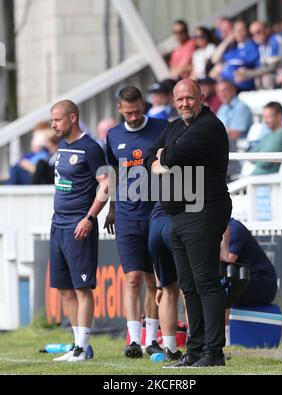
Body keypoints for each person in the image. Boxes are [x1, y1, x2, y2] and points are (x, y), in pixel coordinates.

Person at [144, 79, 232, 367]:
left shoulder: (208, 126)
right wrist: (159, 160)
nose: (185, 104)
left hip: (204, 210)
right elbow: (149, 158)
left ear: (202, 97)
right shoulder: (173, 127)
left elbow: (172, 155)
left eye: (190, 99)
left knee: (206, 283)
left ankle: (213, 352)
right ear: (173, 100)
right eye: (179, 99)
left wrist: (163, 159)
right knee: (189, 286)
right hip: (179, 214)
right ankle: (195, 351)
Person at [105, 87, 168, 358]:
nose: (133, 116)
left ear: (144, 104)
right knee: (132, 278)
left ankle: (152, 339)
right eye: (128, 112)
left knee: (153, 279)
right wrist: (111, 207)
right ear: (119, 109)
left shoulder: (162, 127)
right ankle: (133, 339)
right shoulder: (113, 135)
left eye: (137, 110)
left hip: (155, 212)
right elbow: (113, 172)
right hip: (127, 216)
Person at [49, 100, 109, 362]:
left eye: (57, 120)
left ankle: (82, 348)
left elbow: (107, 184)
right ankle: (78, 346)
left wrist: (90, 217)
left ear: (73, 118)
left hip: (78, 224)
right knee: (63, 288)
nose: (53, 125)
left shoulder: (91, 148)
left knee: (82, 288)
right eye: (52, 121)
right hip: (57, 224)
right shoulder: (62, 145)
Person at [221, 218, 278, 346]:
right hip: (247, 280)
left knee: (222, 287)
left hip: (263, 284)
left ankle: (225, 340)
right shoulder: (217, 228)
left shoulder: (234, 228)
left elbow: (226, 262)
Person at [148, 202, 182, 361]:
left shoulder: (163, 182)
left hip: (155, 226)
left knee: (167, 290)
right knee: (189, 290)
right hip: (176, 222)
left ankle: (170, 348)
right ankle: (199, 346)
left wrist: (158, 285)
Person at [216, 79, 253, 179]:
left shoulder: (241, 107)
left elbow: (235, 134)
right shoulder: (223, 108)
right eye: (219, 91)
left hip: (237, 151)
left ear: (233, 90)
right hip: (224, 150)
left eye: (225, 90)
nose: (221, 94)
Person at [210, 20, 260, 91]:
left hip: (242, 84)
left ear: (247, 31)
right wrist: (227, 40)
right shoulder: (233, 48)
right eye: (237, 30)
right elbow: (214, 59)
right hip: (228, 84)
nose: (239, 32)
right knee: (215, 71)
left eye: (242, 29)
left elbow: (250, 65)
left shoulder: (252, 46)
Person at [235, 21, 282, 89]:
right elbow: (263, 67)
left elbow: (272, 67)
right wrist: (244, 75)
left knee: (266, 78)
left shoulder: (275, 41)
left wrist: (248, 73)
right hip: (279, 74)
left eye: (258, 32)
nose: (256, 36)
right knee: (258, 79)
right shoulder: (262, 46)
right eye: (253, 34)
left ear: (267, 30)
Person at [251, 102, 282, 175]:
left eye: (268, 117)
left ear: (279, 116)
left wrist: (260, 157)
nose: (265, 121)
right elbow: (250, 156)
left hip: (270, 181)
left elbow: (264, 163)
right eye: (264, 117)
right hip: (254, 180)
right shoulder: (267, 135)